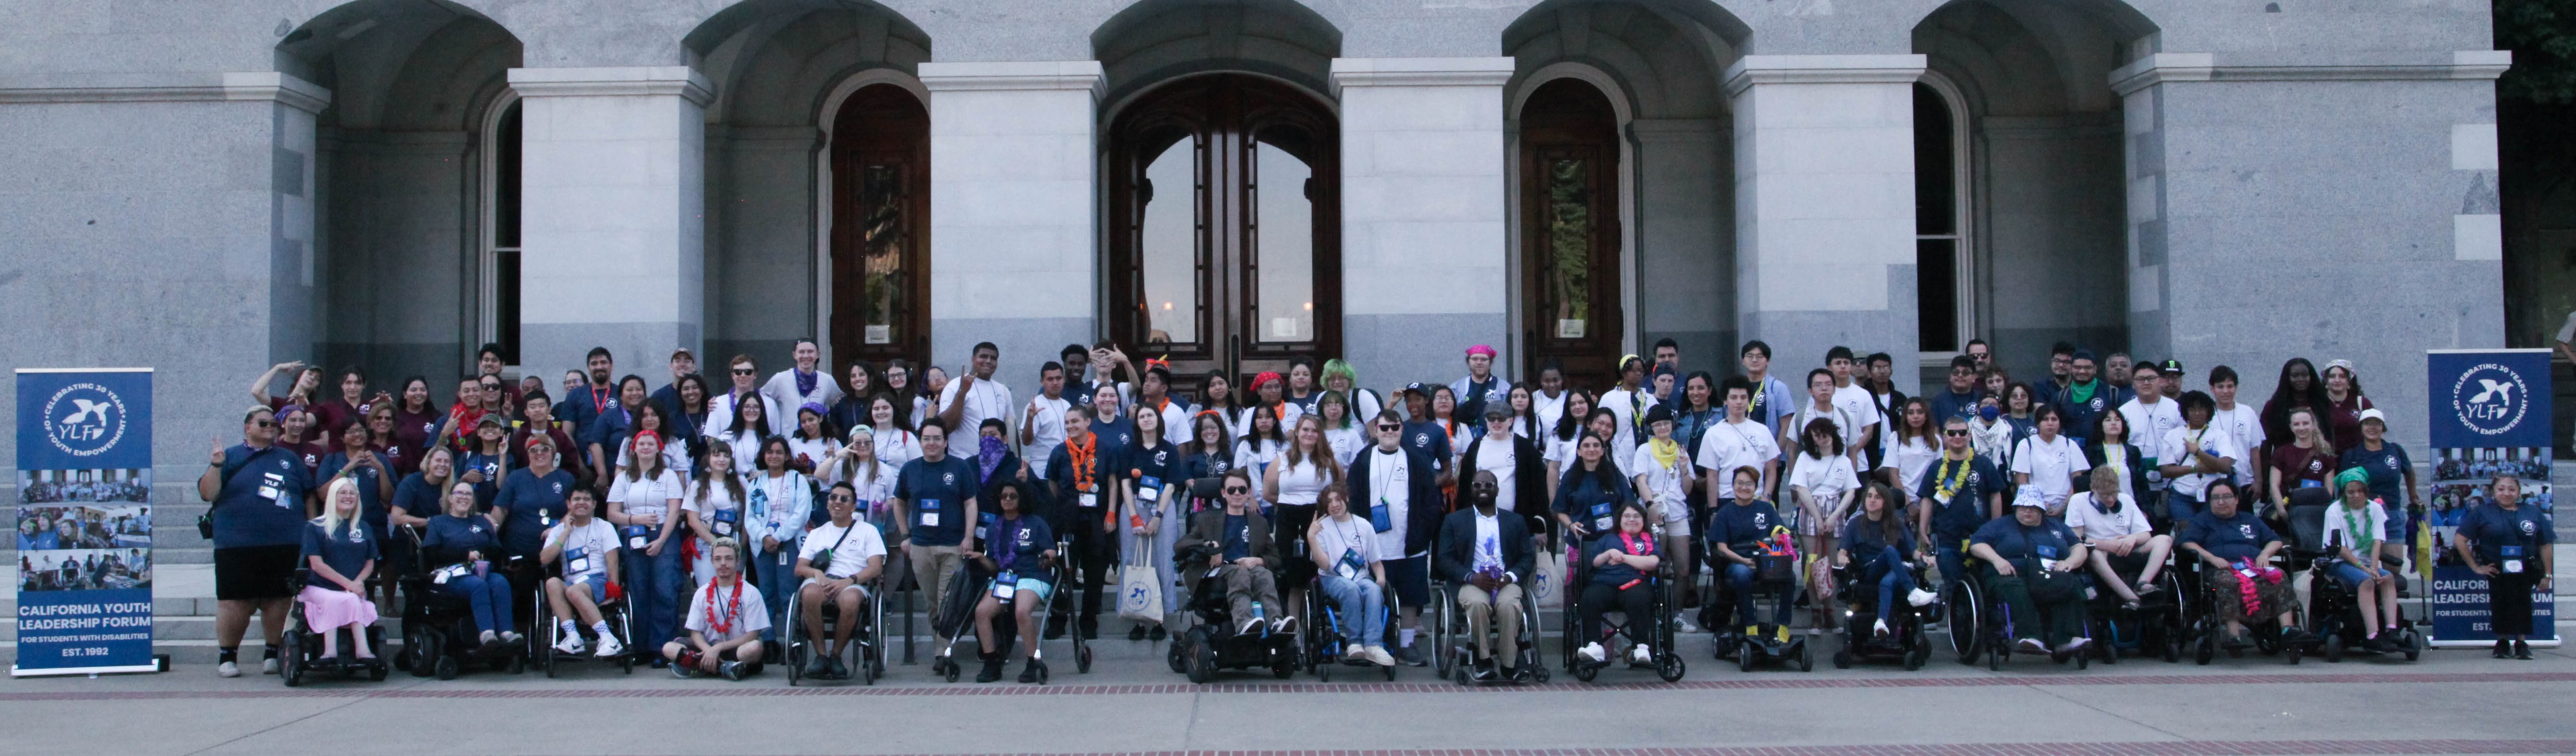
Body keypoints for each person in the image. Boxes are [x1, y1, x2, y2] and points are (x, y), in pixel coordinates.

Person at [1347, 410, 1446, 666]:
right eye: (1384, 428)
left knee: (1410, 596)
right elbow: (1353, 499)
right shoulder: (1363, 460)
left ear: (1402, 430)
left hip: (1409, 542)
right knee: (1373, 594)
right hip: (1373, 545)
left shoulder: (1416, 459)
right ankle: (1374, 642)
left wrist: (1422, 534)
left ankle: (1407, 645)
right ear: (1376, 431)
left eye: (1394, 428)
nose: (1389, 432)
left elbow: (1431, 501)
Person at [2177, 480, 2303, 649]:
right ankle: (2233, 636)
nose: (2221, 502)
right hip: (2222, 568)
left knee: (2278, 576)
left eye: (2226, 497)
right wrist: (2212, 558)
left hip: (2253, 567)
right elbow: (2187, 543)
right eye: (2216, 498)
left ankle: (2288, 630)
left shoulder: (2249, 519)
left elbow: (2275, 540)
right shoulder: (2203, 521)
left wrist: (2265, 554)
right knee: (2227, 581)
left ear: (2237, 499)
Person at [893, 418, 981, 654]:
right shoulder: (909, 469)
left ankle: (943, 653)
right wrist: (905, 535)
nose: (931, 443)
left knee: (946, 600)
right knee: (933, 602)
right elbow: (899, 503)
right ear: (920, 442)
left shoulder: (960, 467)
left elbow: (970, 503)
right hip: (921, 546)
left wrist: (969, 536)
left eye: (937, 439)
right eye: (926, 439)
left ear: (945, 442)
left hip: (953, 546)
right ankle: (942, 644)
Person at [1437, 471, 1535, 680]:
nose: (1483, 489)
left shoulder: (1515, 521)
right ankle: (1483, 659)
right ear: (1471, 489)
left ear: (1497, 490)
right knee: (1478, 604)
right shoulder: (1454, 521)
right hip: (1472, 581)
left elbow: (1528, 558)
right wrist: (1472, 577)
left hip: (1504, 581)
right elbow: (1444, 559)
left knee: (1510, 605)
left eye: (1489, 485)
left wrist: (1509, 577)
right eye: (1478, 485)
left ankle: (1511, 663)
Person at [1968, 493, 2093, 657]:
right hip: (2011, 574)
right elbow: (1976, 544)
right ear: (2016, 508)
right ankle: (2031, 637)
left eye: (2033, 508)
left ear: (2041, 510)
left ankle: (2067, 639)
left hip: (2049, 574)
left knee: (2070, 584)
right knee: (2018, 589)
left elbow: (2079, 547)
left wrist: (2069, 562)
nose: (2027, 511)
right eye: (2023, 508)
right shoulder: (1999, 526)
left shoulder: (2057, 526)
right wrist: (1997, 560)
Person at [795, 481, 889, 679]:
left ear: (853, 507)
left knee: (851, 601)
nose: (837, 502)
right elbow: (800, 567)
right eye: (833, 498)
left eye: (844, 499)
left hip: (852, 583)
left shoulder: (868, 531)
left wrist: (849, 580)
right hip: (821, 581)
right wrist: (817, 574)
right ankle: (821, 656)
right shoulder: (817, 533)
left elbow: (876, 567)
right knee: (809, 594)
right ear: (827, 503)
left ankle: (836, 656)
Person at [2455, 474, 2554, 659]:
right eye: (2501, 489)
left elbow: (2546, 544)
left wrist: (2548, 574)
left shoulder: (2532, 512)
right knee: (2500, 603)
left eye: (2511, 489)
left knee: (2523, 602)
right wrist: (2476, 567)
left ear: (2518, 492)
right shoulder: (2482, 512)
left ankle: (2522, 643)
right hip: (2497, 567)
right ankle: (2502, 642)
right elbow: (2460, 540)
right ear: (2493, 492)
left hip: (2525, 567)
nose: (2506, 493)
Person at [605, 430, 687, 653]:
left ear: (659, 448)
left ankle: (662, 648)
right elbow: (612, 513)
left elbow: (675, 510)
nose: (646, 448)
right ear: (634, 449)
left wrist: (661, 540)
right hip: (634, 533)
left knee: (664, 589)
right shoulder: (624, 477)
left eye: (651, 444)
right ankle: (639, 647)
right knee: (638, 590)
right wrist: (634, 519)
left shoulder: (668, 476)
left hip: (664, 533)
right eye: (641, 444)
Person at [1179, 469, 1287, 635]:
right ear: (1224, 493)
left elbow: (1276, 557)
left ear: (1249, 493)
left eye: (1242, 490)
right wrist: (1208, 545)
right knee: (1240, 574)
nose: (1237, 494)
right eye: (1231, 490)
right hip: (1217, 572)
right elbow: (1181, 545)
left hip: (1250, 568)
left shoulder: (1259, 523)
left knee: (1264, 575)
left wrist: (1259, 561)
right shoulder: (1206, 520)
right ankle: (1244, 624)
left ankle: (1275, 623)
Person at [969, 479, 1054, 683]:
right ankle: (991, 662)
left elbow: (1050, 551)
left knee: (1022, 611)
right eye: (1003, 496)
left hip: (1032, 575)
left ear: (1021, 499)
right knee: (981, 612)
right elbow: (995, 567)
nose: (1007, 500)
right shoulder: (993, 529)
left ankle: (1033, 662)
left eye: (1012, 496)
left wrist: (1049, 557)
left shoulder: (1036, 523)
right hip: (1006, 577)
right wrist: (982, 559)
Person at [420, 481, 518, 653]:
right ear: (450, 499)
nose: (464, 497)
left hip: (483, 569)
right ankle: (487, 635)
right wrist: (465, 556)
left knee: (500, 582)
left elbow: (497, 550)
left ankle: (506, 633)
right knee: (477, 585)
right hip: (452, 575)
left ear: (473, 500)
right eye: (459, 493)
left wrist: (480, 554)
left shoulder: (482, 522)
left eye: (468, 494)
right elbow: (432, 553)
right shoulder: (439, 522)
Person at [1044, 406, 1116, 640]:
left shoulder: (1105, 449)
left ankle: (1089, 620)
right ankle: (1058, 619)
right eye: (1067, 423)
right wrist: (1067, 506)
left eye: (1075, 421)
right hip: (1068, 521)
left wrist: (1111, 513)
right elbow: (1053, 484)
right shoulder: (1059, 452)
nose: (1070, 426)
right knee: (1064, 572)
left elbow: (1112, 482)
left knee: (1096, 573)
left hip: (1097, 519)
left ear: (1087, 422)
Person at [1265, 414, 1341, 626]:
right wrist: (1290, 504)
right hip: (1289, 520)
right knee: (1293, 576)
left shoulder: (1329, 461)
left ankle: (1321, 622)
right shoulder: (1282, 460)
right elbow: (1269, 492)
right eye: (1305, 430)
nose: (1310, 434)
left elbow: (1340, 489)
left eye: (1315, 430)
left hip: (1319, 519)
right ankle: (1294, 626)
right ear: (1297, 433)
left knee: (1318, 569)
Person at [1916, 416, 2006, 593]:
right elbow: (1927, 499)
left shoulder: (1983, 464)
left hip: (1980, 536)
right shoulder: (1936, 467)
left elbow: (1996, 495)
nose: (1957, 436)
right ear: (1944, 437)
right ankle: (1957, 619)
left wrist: (1995, 528)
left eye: (1962, 432)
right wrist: (1922, 529)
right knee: (1953, 586)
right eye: (1952, 433)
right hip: (1946, 537)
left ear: (1969, 436)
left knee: (1984, 586)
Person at [299, 477, 383, 665]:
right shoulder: (315, 527)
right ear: (333, 497)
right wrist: (349, 585)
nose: (348, 496)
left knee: (350, 598)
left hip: (353, 589)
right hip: (320, 589)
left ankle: (363, 651)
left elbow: (370, 562)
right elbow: (317, 565)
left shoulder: (364, 527)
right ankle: (330, 653)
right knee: (339, 599)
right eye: (343, 492)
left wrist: (358, 582)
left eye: (353, 493)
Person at [1308, 485, 1394, 666]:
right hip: (1331, 578)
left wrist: (1381, 579)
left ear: (1346, 499)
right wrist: (1311, 538)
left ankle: (1373, 645)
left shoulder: (1364, 525)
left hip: (1361, 577)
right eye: (1329, 502)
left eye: (1337, 500)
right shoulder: (1322, 528)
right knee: (1350, 589)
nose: (1334, 505)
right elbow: (1324, 565)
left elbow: (1376, 563)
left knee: (1373, 590)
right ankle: (1354, 642)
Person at [1785, 416, 1860, 618]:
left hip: (1836, 510)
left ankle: (1830, 611)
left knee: (1833, 564)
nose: (1823, 438)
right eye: (1817, 435)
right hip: (1811, 510)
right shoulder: (1805, 459)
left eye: (1826, 433)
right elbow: (1801, 488)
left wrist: (1835, 516)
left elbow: (1851, 491)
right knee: (1813, 562)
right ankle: (1816, 612)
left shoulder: (1843, 460)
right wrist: (1818, 517)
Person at [2067, 467, 2171, 610]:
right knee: (2095, 554)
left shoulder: (2126, 499)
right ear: (2093, 488)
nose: (2110, 499)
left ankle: (2143, 583)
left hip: (2129, 547)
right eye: (2104, 495)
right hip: (2102, 550)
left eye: (2114, 493)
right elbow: (2077, 539)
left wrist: (2133, 538)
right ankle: (2131, 597)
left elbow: (2146, 534)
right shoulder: (2078, 500)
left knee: (2165, 540)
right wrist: (2108, 545)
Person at [2323, 468, 2402, 652]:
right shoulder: (2334, 511)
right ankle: (2372, 634)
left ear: (2366, 492)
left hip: (2367, 563)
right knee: (2366, 582)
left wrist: (2374, 568)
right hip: (2340, 563)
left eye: (2360, 491)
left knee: (2388, 578)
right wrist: (2367, 571)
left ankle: (2392, 629)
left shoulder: (2374, 508)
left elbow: (2377, 541)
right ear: (2344, 493)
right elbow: (2340, 549)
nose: (2356, 495)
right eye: (2351, 492)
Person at [540, 488, 626, 659]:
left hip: (597, 580)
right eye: (577, 499)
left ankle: (609, 638)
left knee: (574, 591)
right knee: (552, 583)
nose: (581, 503)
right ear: (569, 504)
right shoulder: (559, 531)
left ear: (594, 505)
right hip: (571, 581)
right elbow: (545, 559)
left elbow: (613, 561)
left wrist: (613, 589)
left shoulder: (604, 527)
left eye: (587, 499)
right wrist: (565, 532)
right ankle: (573, 637)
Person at [1573, 500, 1661, 666]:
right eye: (1627, 516)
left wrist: (1624, 558)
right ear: (1620, 520)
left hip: (1636, 582)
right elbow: (1595, 563)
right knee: (1590, 598)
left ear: (1643, 520)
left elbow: (1653, 563)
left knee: (1641, 598)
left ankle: (1641, 647)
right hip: (1605, 582)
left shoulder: (1649, 540)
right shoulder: (1607, 539)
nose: (1632, 520)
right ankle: (1595, 646)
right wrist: (1609, 554)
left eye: (1636, 516)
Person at [663, 538, 766, 680]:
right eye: (718, 559)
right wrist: (709, 650)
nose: (723, 563)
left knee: (754, 648)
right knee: (668, 648)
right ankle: (724, 668)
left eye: (728, 559)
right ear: (712, 562)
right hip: (706, 647)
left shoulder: (751, 592)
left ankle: (697, 665)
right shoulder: (702, 592)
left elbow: (752, 635)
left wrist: (719, 648)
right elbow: (695, 632)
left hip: (736, 648)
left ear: (738, 562)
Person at [746, 436, 816, 642]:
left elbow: (802, 514)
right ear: (763, 456)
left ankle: (790, 641)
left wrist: (778, 536)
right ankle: (767, 642)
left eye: (779, 452)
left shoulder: (797, 480)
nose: (774, 456)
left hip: (789, 542)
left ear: (787, 456)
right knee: (765, 594)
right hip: (762, 544)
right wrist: (764, 537)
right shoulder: (756, 483)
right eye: (770, 452)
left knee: (788, 594)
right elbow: (750, 517)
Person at [1122, 406, 1182, 639]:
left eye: (1150, 415)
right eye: (1142, 417)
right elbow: (1126, 484)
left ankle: (1159, 618)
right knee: (1133, 559)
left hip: (1162, 506)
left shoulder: (1169, 450)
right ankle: (1137, 618)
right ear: (1136, 422)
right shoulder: (1129, 450)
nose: (1146, 419)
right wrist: (1134, 516)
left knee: (1163, 561)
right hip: (1133, 505)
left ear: (1158, 420)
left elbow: (1171, 484)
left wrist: (1158, 516)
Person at [1708, 466, 1789, 635]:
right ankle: (1750, 624)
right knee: (1742, 574)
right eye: (1740, 483)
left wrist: (1781, 537)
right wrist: (1745, 562)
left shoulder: (1766, 509)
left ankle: (1783, 626)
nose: (1744, 488)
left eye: (1749, 484)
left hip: (1766, 561)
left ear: (1756, 487)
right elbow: (1721, 548)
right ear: (1733, 485)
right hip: (1738, 561)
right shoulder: (1725, 513)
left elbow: (1780, 530)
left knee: (1789, 575)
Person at [1838, 483, 1921, 638]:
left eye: (1877, 497)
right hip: (1871, 571)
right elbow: (1843, 552)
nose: (1872, 500)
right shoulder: (1855, 524)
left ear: (1886, 502)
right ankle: (1913, 591)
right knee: (1889, 551)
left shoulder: (1896, 524)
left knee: (1887, 582)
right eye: (1869, 496)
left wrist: (1925, 557)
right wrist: (1842, 558)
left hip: (1895, 571)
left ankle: (1881, 623)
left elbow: (1913, 551)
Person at [1461, 408, 1547, 547]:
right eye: (1491, 419)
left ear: (1511, 421)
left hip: (1518, 521)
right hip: (1481, 523)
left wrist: (1539, 524)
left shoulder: (1524, 446)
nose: (1496, 422)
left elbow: (1538, 487)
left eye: (1501, 419)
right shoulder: (1476, 446)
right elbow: (1465, 487)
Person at [2157, 391, 2241, 525]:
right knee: (2186, 530)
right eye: (2192, 409)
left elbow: (2225, 467)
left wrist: (2197, 452)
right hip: (2181, 495)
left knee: (2210, 530)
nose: (2197, 413)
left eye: (2201, 409)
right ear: (2186, 412)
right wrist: (2195, 468)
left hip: (2212, 495)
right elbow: (2166, 471)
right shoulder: (2172, 435)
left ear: (2209, 411)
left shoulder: (2219, 435)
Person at [1628, 405, 1694, 566]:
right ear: (1651, 428)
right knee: (1654, 565)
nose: (1663, 427)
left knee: (1683, 569)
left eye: (1666, 423)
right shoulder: (1645, 450)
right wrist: (1651, 506)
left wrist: (1684, 469)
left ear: (1673, 424)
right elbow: (1641, 481)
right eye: (1658, 424)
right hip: (1653, 511)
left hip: (1677, 512)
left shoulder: (1681, 451)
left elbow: (1687, 490)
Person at [680, 441, 746, 594]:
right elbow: (693, 520)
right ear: (708, 459)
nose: (722, 459)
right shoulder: (697, 485)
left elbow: (747, 516)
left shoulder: (741, 483)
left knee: (732, 594)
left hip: (735, 543)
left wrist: (741, 545)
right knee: (709, 592)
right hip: (706, 543)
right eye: (717, 455)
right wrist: (717, 543)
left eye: (726, 456)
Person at [1552, 433, 1637, 543]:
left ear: (1602, 451)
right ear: (1579, 452)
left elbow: (1630, 504)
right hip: (1581, 540)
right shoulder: (1570, 477)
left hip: (1613, 540)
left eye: (1596, 446)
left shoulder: (1614, 474)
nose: (1592, 449)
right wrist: (1571, 526)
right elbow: (1560, 510)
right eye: (1586, 446)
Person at [2013, 405, 2089, 515]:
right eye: (2045, 419)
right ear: (2038, 423)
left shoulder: (2069, 445)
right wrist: (2038, 503)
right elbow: (2021, 480)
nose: (2050, 423)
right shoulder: (2026, 445)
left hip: (2068, 506)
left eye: (2054, 419)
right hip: (2035, 506)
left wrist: (2064, 507)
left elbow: (2077, 481)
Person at [1787, 368, 1864, 474]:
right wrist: (1795, 485)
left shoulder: (1846, 417)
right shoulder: (1800, 418)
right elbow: (1792, 452)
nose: (1824, 388)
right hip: (1808, 480)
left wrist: (1852, 483)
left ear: (1834, 389)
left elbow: (1852, 451)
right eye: (1818, 385)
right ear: (1810, 391)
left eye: (1828, 384)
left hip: (1839, 478)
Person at [2267, 408, 2337, 513]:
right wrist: (2282, 512)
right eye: (2296, 424)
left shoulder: (2325, 454)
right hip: (2289, 508)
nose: (2301, 428)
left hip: (2316, 511)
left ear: (2313, 425)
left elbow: (2329, 491)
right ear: (2291, 427)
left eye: (2306, 423)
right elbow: (2274, 486)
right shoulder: (2281, 453)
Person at [762, 340, 844, 427]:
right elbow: (762, 398)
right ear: (795, 355)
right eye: (801, 352)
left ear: (818, 354)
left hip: (816, 438)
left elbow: (839, 404)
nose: (806, 356)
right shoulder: (781, 379)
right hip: (788, 438)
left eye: (810, 352)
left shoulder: (827, 380)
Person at [2207, 366, 2264, 491]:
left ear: (2236, 388)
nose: (2226, 391)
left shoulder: (2248, 413)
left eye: (2230, 386)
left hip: (2244, 482)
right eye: (2220, 387)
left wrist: (2258, 481)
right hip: (2213, 482)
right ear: (2212, 389)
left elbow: (2254, 449)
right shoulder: (2206, 414)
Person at [2258, 358, 2331, 454]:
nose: (2301, 379)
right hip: (2283, 465)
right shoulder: (2274, 406)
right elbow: (2265, 443)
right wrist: (2266, 468)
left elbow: (2330, 437)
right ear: (2287, 378)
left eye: (2305, 375)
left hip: (2319, 464)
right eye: (2295, 376)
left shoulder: (2322, 403)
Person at [2053, 350, 2122, 447]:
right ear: (2071, 369)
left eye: (2087, 368)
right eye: (2078, 367)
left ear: (2095, 369)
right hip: (2070, 452)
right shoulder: (2061, 397)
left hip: (2102, 453)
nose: (2082, 371)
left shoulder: (2111, 393)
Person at [1599, 355, 1657, 468]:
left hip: (1648, 454)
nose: (1639, 374)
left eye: (1641, 371)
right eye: (1634, 371)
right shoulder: (1609, 398)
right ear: (1624, 373)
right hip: (1619, 456)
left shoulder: (1650, 399)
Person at [709, 355, 787, 438]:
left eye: (748, 372)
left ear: (755, 375)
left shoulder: (770, 404)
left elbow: (775, 437)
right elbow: (711, 437)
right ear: (733, 376)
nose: (743, 375)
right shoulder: (718, 403)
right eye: (738, 372)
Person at [1541, 389, 1595, 503]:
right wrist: (1553, 501)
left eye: (1581, 402)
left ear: (1589, 404)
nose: (1577, 407)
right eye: (1573, 404)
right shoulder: (1559, 433)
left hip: (1596, 489)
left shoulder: (1598, 428)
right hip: (1568, 492)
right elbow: (1553, 468)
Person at [1021, 361, 1073, 475]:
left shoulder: (1067, 405)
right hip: (1043, 470)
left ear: (1064, 379)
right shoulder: (1035, 406)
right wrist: (1030, 419)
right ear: (1042, 382)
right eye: (1050, 379)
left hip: (1066, 468)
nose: (1055, 383)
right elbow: (1026, 441)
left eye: (1058, 378)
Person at [1738, 341, 1796, 433]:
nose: (1754, 360)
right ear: (1743, 361)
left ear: (1768, 361)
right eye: (1750, 356)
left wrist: (1777, 447)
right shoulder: (1737, 387)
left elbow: (1787, 424)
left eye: (1759, 357)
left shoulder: (1778, 388)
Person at [711, 387, 769, 478]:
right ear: (740, 409)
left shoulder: (769, 439)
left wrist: (763, 473)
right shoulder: (726, 438)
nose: (752, 410)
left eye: (756, 407)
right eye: (747, 407)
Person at [2318, 360, 2374, 453]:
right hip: (2326, 459)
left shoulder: (2362, 403)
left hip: (2356, 459)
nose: (2337, 380)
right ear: (2326, 380)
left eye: (2342, 376)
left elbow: (2375, 431)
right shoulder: (2318, 404)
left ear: (2349, 381)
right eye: (2332, 376)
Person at [1320, 358, 1385, 430]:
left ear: (1349, 380)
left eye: (1341, 378)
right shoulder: (1322, 398)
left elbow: (1376, 434)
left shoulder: (1363, 397)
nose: (1337, 382)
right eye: (1332, 378)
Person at [1451, 344, 1509, 422]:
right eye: (1475, 359)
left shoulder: (1504, 388)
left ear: (1490, 363)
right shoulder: (1456, 388)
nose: (1479, 363)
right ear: (1468, 362)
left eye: (1484, 359)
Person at [786, 403, 841, 477]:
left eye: (811, 420)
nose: (808, 424)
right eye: (804, 422)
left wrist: (833, 456)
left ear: (820, 418)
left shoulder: (834, 443)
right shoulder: (794, 443)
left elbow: (842, 469)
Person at [1928, 355, 1983, 425]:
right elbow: (1935, 431)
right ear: (1950, 376)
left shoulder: (1982, 399)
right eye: (1956, 372)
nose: (1960, 376)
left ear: (1974, 377)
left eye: (1965, 373)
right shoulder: (1939, 401)